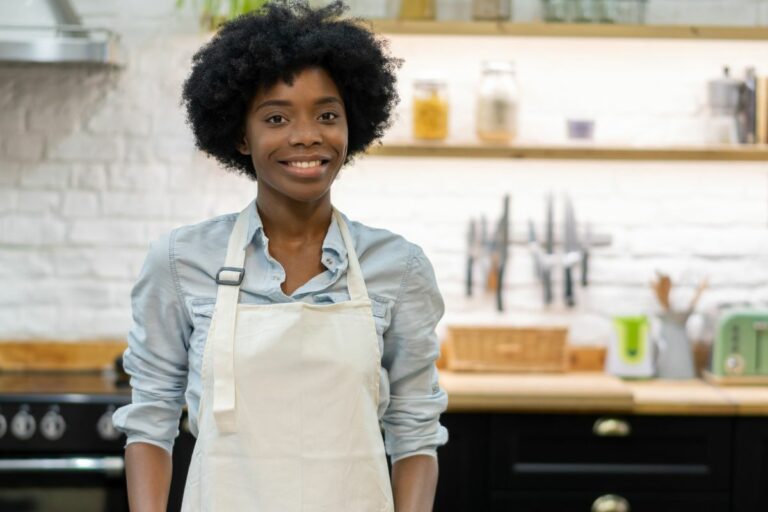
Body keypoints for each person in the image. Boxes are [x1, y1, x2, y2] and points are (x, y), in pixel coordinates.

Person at [112, 1, 448, 511]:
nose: (307, 135)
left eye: (327, 115)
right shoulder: (181, 262)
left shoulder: (398, 267)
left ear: (352, 125)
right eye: (277, 117)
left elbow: (415, 432)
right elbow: (151, 422)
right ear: (242, 136)